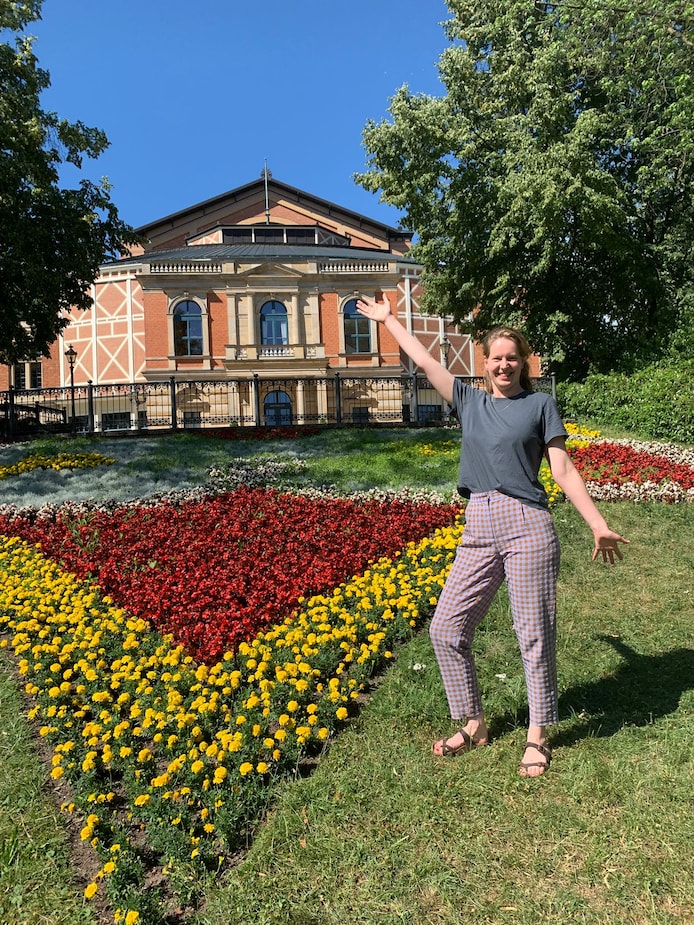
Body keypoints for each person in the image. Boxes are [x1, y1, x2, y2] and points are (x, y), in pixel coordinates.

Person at [356, 294, 628, 777]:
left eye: (512, 357)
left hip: (528, 525)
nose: (504, 365)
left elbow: (562, 469)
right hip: (478, 523)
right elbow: (425, 361)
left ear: (524, 362)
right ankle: (474, 723)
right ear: (484, 363)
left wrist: (597, 523)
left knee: (533, 633)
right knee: (446, 628)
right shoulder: (470, 401)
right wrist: (390, 320)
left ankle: (537, 734)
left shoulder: (540, 405)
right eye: (496, 358)